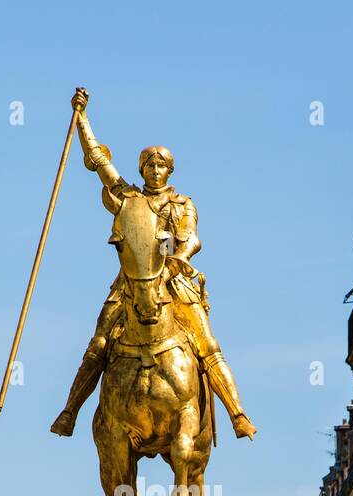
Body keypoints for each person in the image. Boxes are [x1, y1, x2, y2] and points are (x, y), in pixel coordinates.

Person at [51, 88, 256, 442]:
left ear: (170, 169)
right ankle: (69, 411)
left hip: (174, 280)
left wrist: (179, 258)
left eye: (162, 165)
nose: (156, 171)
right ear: (142, 168)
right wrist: (81, 117)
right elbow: (100, 163)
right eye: (150, 165)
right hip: (130, 283)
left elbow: (191, 237)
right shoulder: (128, 198)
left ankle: (237, 413)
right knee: (99, 344)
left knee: (207, 345)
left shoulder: (181, 204)